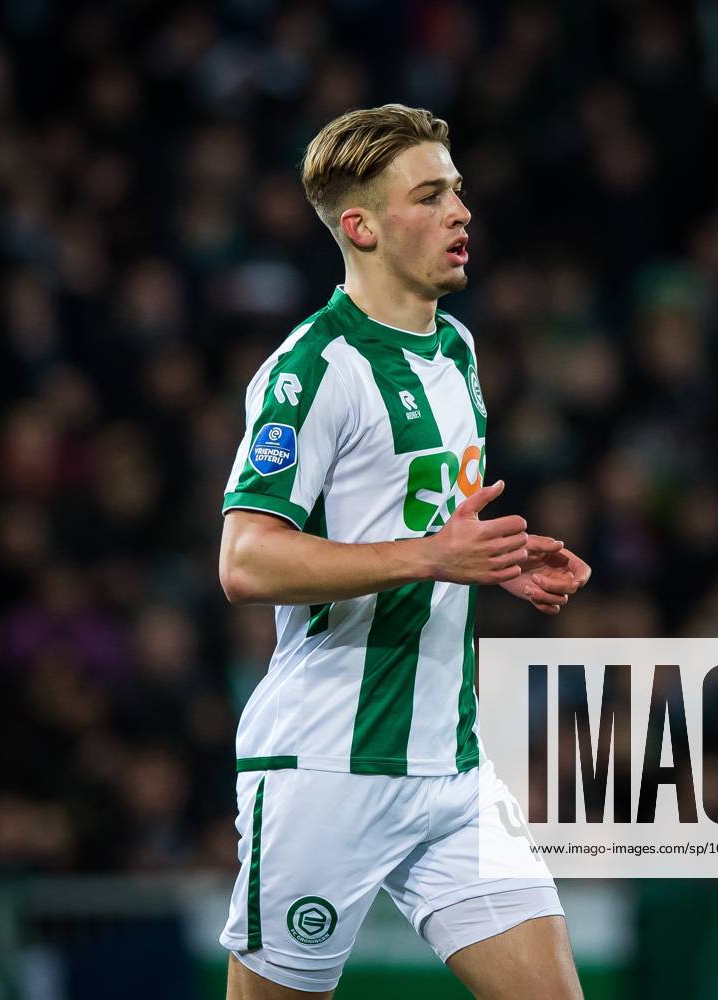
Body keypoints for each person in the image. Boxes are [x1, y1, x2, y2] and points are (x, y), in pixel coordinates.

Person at [218, 104, 590, 999]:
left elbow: (427, 528)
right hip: (327, 768)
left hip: (452, 765)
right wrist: (433, 556)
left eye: (458, 189)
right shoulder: (312, 371)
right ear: (362, 227)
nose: (462, 211)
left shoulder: (455, 349)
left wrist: (498, 556)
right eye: (431, 196)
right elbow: (247, 560)